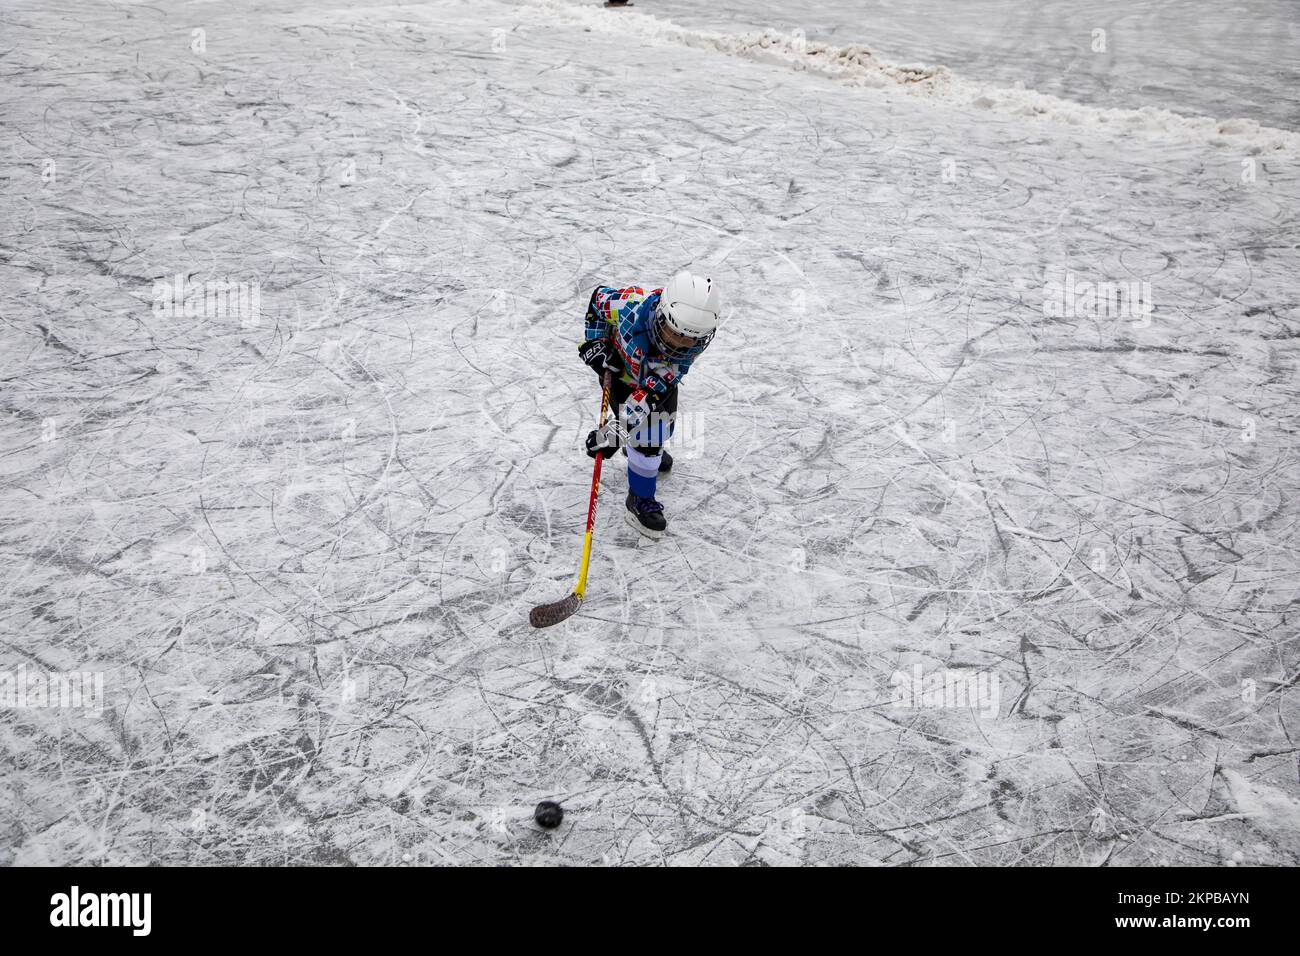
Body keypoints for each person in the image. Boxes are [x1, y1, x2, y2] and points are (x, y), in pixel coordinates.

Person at [577, 271, 719, 538]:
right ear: (661, 315)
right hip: (618, 376)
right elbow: (597, 302)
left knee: (659, 430)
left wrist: (617, 431)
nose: (679, 346)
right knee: (648, 438)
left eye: (690, 340)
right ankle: (639, 499)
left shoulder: (685, 353)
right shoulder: (628, 308)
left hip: (653, 387)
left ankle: (640, 452)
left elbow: (648, 397)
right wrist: (595, 345)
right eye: (673, 334)